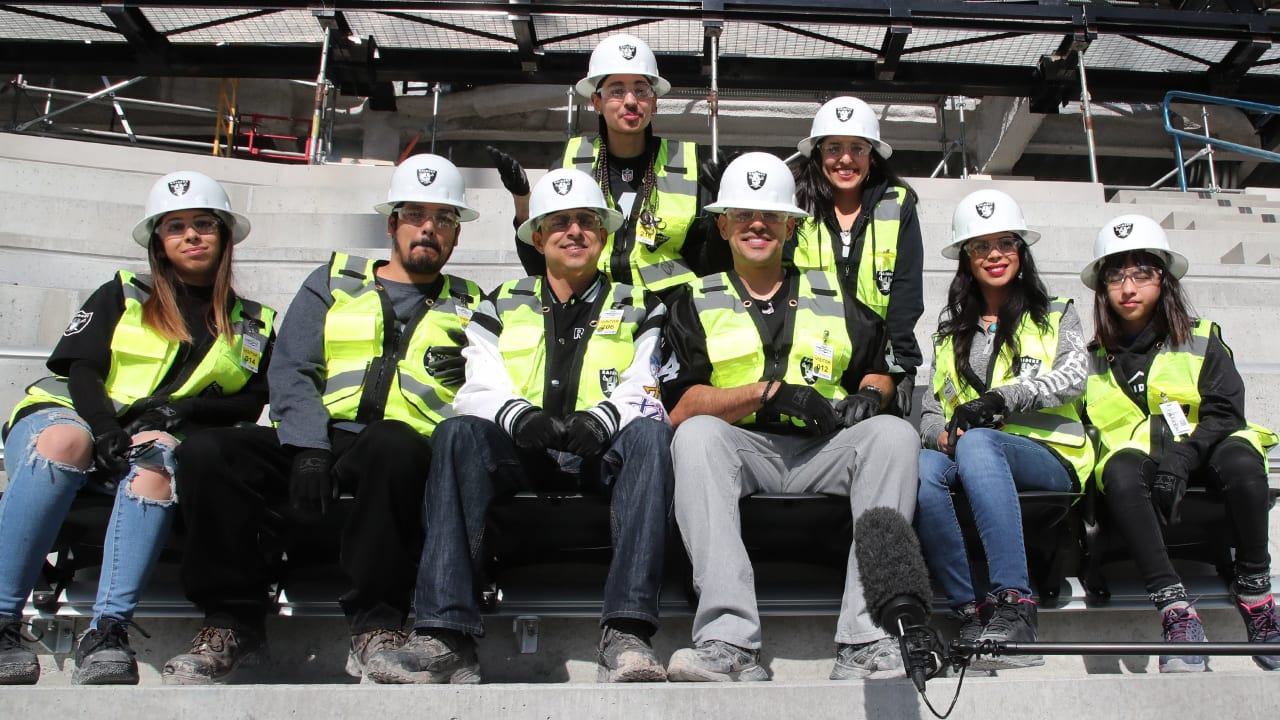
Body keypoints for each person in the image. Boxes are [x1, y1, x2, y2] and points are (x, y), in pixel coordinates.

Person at [161, 154, 483, 684]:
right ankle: (232, 622)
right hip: (318, 436)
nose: (429, 227)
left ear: (456, 236)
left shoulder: (473, 303)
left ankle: (376, 625)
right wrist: (308, 445)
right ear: (390, 224)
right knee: (206, 452)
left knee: (392, 444)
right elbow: (292, 367)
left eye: (444, 218)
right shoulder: (332, 280)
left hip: (402, 449)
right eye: (415, 214)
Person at [364, 167, 673, 685]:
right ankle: (446, 635)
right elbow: (476, 383)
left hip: (601, 452)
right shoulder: (500, 301)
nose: (573, 231)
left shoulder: (641, 304)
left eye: (586, 221)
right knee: (457, 434)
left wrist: (601, 422)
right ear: (537, 236)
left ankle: (627, 635)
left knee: (650, 435)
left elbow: (646, 387)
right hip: (521, 453)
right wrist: (518, 415)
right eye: (559, 222)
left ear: (603, 233)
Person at [0, 171, 275, 685]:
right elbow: (81, 368)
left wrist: (185, 412)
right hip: (74, 417)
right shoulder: (123, 293)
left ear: (224, 237)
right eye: (175, 227)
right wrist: (104, 427)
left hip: (149, 436)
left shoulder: (255, 323)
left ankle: (107, 632)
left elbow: (255, 396)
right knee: (68, 442)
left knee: (156, 468)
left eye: (202, 225)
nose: (191, 236)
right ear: (159, 242)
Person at [659, 152, 919, 682]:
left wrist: (872, 394)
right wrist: (768, 394)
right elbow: (681, 406)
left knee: (893, 434)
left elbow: (881, 368)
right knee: (696, 436)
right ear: (723, 224)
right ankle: (726, 641)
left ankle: (866, 638)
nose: (758, 225)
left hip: (823, 450)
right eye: (744, 216)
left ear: (792, 225)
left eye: (772, 216)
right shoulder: (694, 299)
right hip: (744, 447)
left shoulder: (835, 294)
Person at [1082, 214, 1280, 673]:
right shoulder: (1091, 357)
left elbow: (1226, 411)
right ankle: (1176, 613)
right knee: (1118, 471)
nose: (1128, 287)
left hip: (1207, 446)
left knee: (1243, 461)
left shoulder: (1201, 336)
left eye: (1141, 274)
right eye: (1115, 276)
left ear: (1162, 280)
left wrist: (1183, 457)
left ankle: (1255, 591)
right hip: (1138, 458)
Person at [914, 189, 1093, 671]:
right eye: (980, 246)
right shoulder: (950, 331)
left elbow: (1072, 377)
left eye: (1005, 243)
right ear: (966, 259)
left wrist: (997, 401)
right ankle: (970, 609)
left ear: (1021, 250)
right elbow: (932, 406)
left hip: (1049, 457)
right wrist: (939, 435)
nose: (994, 254)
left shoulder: (1056, 313)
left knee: (978, 441)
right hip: (972, 453)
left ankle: (1016, 604)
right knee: (923, 466)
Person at [487, 33, 717, 293]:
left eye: (641, 90)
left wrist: (724, 219)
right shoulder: (569, 165)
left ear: (654, 102)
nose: (630, 101)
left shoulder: (689, 166)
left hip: (669, 314)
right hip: (592, 312)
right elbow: (544, 266)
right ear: (597, 101)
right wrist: (523, 202)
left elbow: (710, 265)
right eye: (617, 90)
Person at [791, 96, 924, 415]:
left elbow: (906, 294)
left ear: (873, 156)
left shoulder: (899, 203)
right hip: (810, 359)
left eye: (857, 148)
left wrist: (900, 369)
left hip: (876, 363)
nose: (845, 159)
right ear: (818, 152)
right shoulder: (795, 205)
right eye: (834, 147)